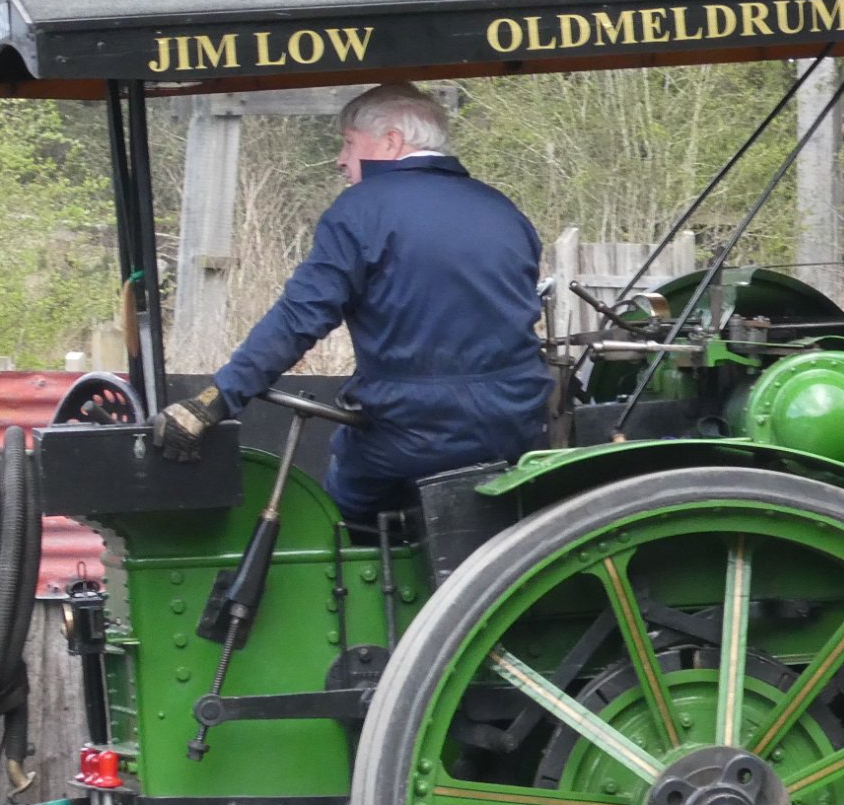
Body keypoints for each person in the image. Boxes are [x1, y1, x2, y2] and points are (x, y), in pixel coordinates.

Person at [152, 82, 553, 520]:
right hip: (517, 430)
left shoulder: (359, 211)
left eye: (348, 144)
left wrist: (216, 398)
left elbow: (299, 319)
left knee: (334, 520)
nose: (342, 161)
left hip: (411, 434)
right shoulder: (504, 211)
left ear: (391, 141)